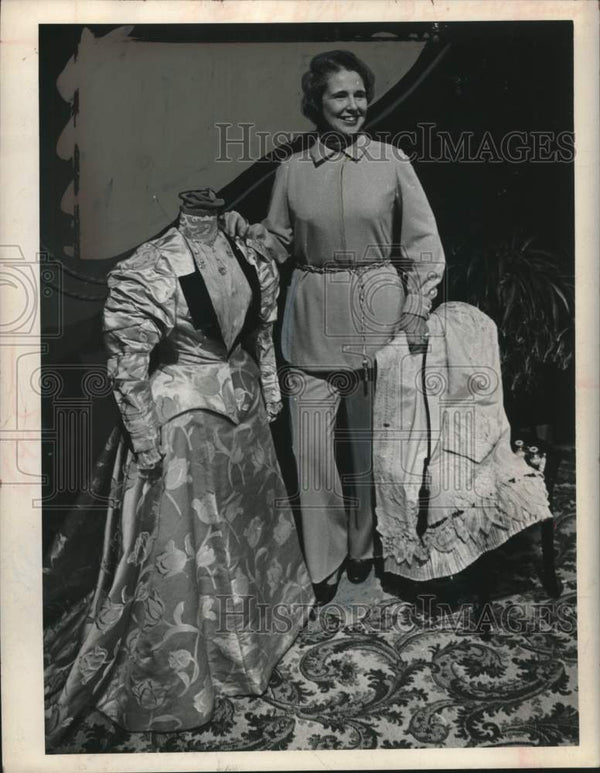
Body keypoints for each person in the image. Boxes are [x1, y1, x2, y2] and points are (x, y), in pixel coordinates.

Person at [43, 188, 314, 745]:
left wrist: (269, 392)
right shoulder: (151, 267)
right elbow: (127, 362)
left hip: (245, 416)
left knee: (249, 533)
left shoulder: (253, 254)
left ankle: (259, 637)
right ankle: (192, 667)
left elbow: (261, 336)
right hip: (185, 422)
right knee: (189, 545)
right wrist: (145, 439)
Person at [223, 50, 445, 604]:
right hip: (311, 316)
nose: (353, 106)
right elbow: (276, 243)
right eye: (339, 96)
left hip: (379, 318)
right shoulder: (293, 170)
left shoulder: (393, 161)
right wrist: (243, 234)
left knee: (371, 449)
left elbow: (425, 246)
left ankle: (364, 551)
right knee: (312, 451)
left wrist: (417, 305)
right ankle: (322, 559)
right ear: (317, 105)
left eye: (359, 95)